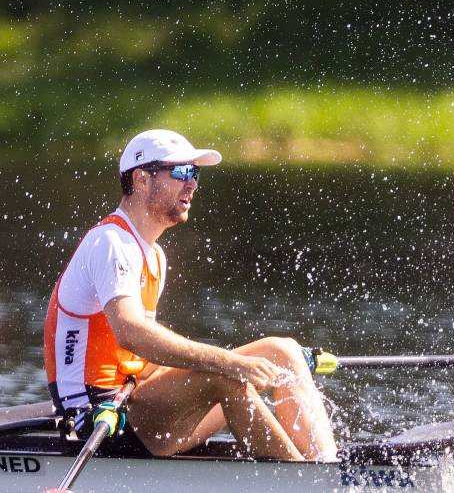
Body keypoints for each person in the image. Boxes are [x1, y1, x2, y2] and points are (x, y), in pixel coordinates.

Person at [43, 129, 336, 461]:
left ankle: (326, 467)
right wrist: (231, 362)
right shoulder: (111, 242)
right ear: (141, 179)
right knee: (226, 376)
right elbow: (132, 334)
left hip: (136, 405)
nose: (192, 183)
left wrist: (230, 366)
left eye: (195, 174)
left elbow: (141, 358)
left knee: (281, 352)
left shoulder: (153, 256)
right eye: (181, 172)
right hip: (96, 418)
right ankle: (303, 482)